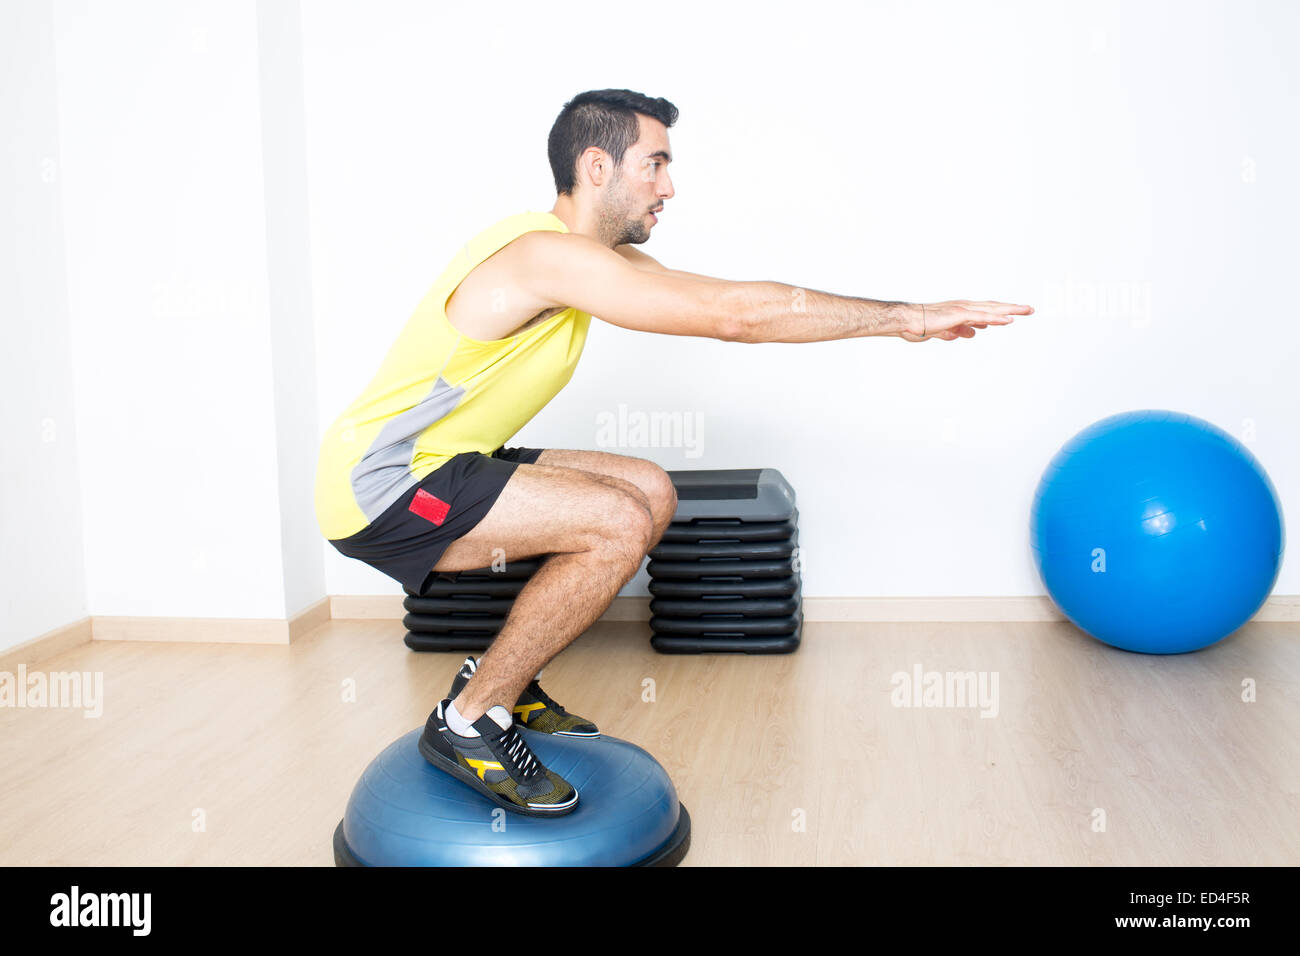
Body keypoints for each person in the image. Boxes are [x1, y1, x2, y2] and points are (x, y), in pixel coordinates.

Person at [313, 88, 1033, 817]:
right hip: (381, 481)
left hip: (450, 460)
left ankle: (504, 679)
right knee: (615, 523)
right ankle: (469, 721)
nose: (669, 186)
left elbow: (744, 301)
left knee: (650, 491)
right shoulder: (544, 256)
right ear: (597, 166)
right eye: (653, 164)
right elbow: (734, 319)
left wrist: (895, 316)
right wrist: (906, 319)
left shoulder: (589, 259)